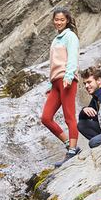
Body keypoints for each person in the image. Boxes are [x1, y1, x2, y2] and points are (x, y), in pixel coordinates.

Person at [41, 9, 81, 162]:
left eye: (62, 20)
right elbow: (54, 64)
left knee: (69, 116)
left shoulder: (70, 36)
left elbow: (72, 57)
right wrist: (51, 85)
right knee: (46, 117)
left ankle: (72, 150)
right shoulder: (56, 39)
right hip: (56, 82)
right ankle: (69, 145)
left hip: (66, 80)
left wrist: (69, 76)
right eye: (56, 19)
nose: (58, 22)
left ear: (67, 21)